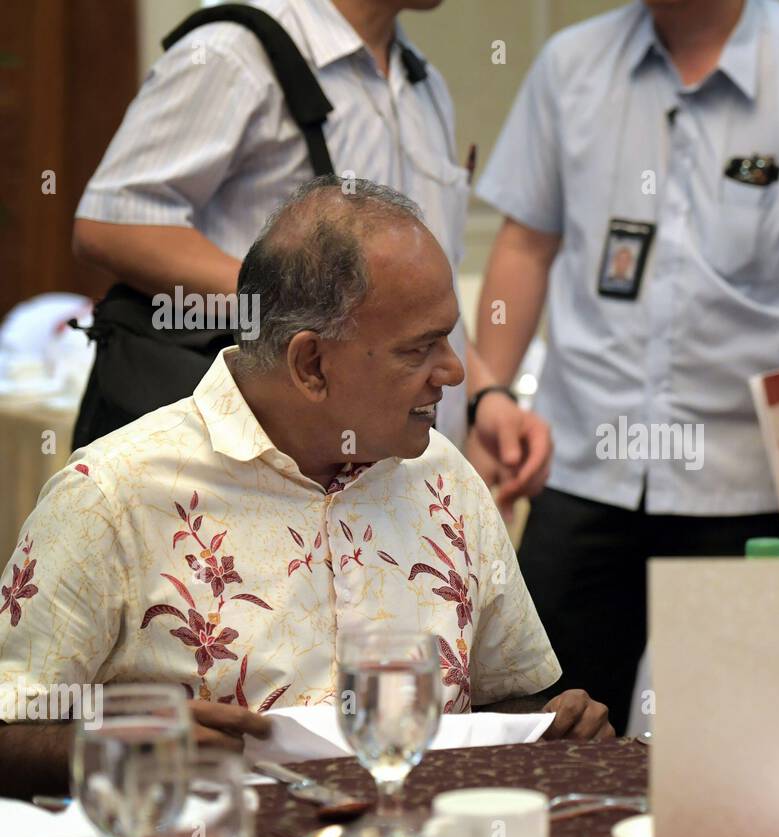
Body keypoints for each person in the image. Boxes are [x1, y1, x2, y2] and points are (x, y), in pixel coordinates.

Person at [0, 178, 612, 800]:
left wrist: (553, 720)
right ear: (311, 365)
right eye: (420, 349)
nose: (453, 372)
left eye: (448, 338)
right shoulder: (113, 494)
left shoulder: (443, 477)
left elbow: (504, 693)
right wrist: (121, 744)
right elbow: (9, 732)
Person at [473, 0, 779, 731]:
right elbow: (526, 245)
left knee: (742, 746)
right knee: (548, 732)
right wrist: (489, 393)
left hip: (751, 490)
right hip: (584, 469)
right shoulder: (571, 65)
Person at [71, 0, 549, 509]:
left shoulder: (423, 83)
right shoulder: (232, 52)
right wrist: (298, 301)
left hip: (398, 489)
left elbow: (415, 299)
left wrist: (485, 397)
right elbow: (113, 222)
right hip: (268, 481)